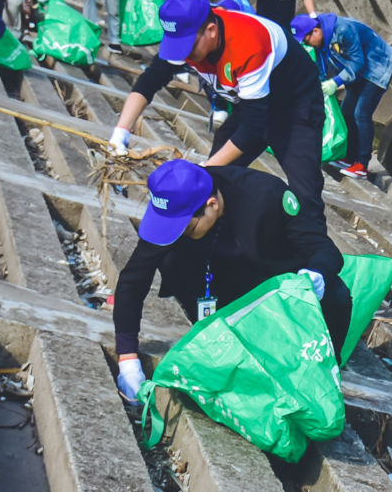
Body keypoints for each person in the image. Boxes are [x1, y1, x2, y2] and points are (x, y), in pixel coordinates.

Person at [111, 158, 350, 402]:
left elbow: (322, 247)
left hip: (266, 279)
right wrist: (128, 359)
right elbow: (134, 278)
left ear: (211, 204)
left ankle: (325, 373)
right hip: (208, 284)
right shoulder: (176, 200)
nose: (179, 233)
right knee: (170, 256)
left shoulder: (266, 195)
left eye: (187, 228)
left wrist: (316, 273)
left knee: (336, 294)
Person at [107, 0, 327, 219]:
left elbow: (253, 127)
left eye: (187, 47)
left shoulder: (248, 44)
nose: (183, 55)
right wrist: (121, 131)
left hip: (295, 106)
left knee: (305, 194)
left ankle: (312, 247)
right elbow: (150, 80)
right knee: (216, 181)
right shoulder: (186, 35)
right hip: (252, 104)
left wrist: (206, 168)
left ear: (211, 31)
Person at [289, 13, 392, 177]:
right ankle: (349, 156)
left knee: (361, 114)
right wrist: (319, 84)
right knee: (346, 112)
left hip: (377, 67)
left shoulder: (344, 30)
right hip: (358, 72)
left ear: (316, 31)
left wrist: (335, 82)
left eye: (306, 40)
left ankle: (362, 164)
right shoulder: (321, 40)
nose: (306, 43)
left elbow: (358, 61)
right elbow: (320, 66)